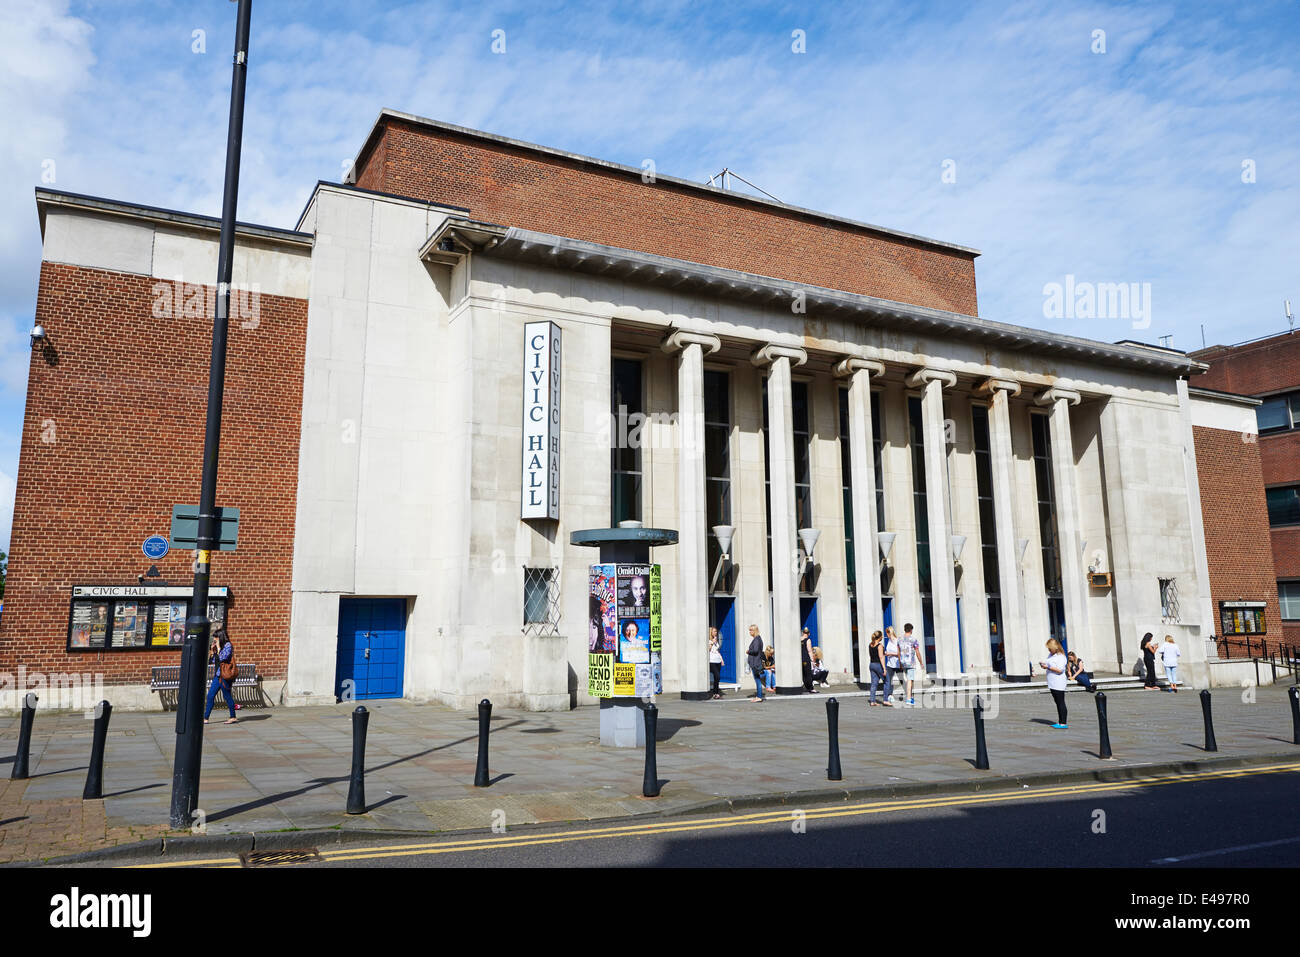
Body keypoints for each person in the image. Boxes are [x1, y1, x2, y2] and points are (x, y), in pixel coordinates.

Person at [204, 628, 238, 724]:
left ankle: (233, 717)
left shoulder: (228, 645)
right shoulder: (217, 646)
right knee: (210, 695)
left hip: (225, 675)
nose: (214, 639)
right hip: (218, 675)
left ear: (220, 637)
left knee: (227, 696)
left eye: (216, 637)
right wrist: (212, 651)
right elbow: (213, 661)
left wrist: (218, 648)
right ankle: (205, 718)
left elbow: (223, 657)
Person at [1040, 638, 1069, 729]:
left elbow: (1059, 670)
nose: (1049, 650)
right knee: (1057, 702)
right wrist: (1044, 664)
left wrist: (1047, 667)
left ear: (1055, 648)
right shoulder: (1051, 655)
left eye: (1050, 648)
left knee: (1060, 702)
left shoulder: (1061, 657)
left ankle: (1063, 723)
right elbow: (1050, 664)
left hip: (1058, 682)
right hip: (1052, 682)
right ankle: (1060, 722)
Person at [899, 622, 924, 706]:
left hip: (903, 662)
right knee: (910, 680)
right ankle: (909, 698)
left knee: (910, 679)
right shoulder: (913, 640)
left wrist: (900, 663)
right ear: (911, 630)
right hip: (911, 663)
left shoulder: (900, 639)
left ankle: (910, 696)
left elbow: (898, 651)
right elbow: (917, 652)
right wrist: (921, 662)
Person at [746, 624, 766, 702]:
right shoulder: (757, 639)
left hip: (755, 663)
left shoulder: (757, 639)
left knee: (757, 680)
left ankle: (759, 697)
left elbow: (756, 650)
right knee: (758, 679)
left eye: (751, 630)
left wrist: (748, 651)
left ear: (754, 631)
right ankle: (759, 696)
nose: (749, 632)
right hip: (756, 662)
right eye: (749, 630)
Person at [882, 626, 901, 706]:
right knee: (888, 680)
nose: (886, 634)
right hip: (890, 664)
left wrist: (890, 654)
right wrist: (885, 652)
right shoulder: (889, 641)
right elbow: (888, 650)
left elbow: (899, 653)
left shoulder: (897, 641)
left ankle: (908, 695)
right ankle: (890, 695)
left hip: (897, 663)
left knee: (902, 679)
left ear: (890, 632)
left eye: (887, 633)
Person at [867, 630, 887, 705]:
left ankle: (872, 701)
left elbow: (871, 655)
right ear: (880, 637)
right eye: (882, 636)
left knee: (874, 683)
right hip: (878, 664)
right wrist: (884, 668)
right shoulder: (880, 646)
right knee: (887, 681)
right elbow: (881, 657)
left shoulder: (870, 644)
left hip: (871, 664)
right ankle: (885, 699)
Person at [707, 627, 724, 699]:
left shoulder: (716, 641)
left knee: (716, 678)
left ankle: (716, 693)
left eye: (716, 631)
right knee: (717, 676)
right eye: (714, 631)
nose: (715, 633)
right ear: (710, 632)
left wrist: (722, 660)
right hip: (712, 661)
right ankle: (714, 692)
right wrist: (712, 642)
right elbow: (708, 649)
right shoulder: (708, 640)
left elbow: (717, 651)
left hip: (718, 661)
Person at [800, 627, 818, 693]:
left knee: (803, 674)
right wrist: (812, 660)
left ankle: (806, 687)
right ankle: (811, 688)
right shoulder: (808, 640)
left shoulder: (799, 639)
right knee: (808, 674)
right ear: (809, 633)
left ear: (802, 632)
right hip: (806, 659)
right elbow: (809, 651)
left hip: (800, 659)